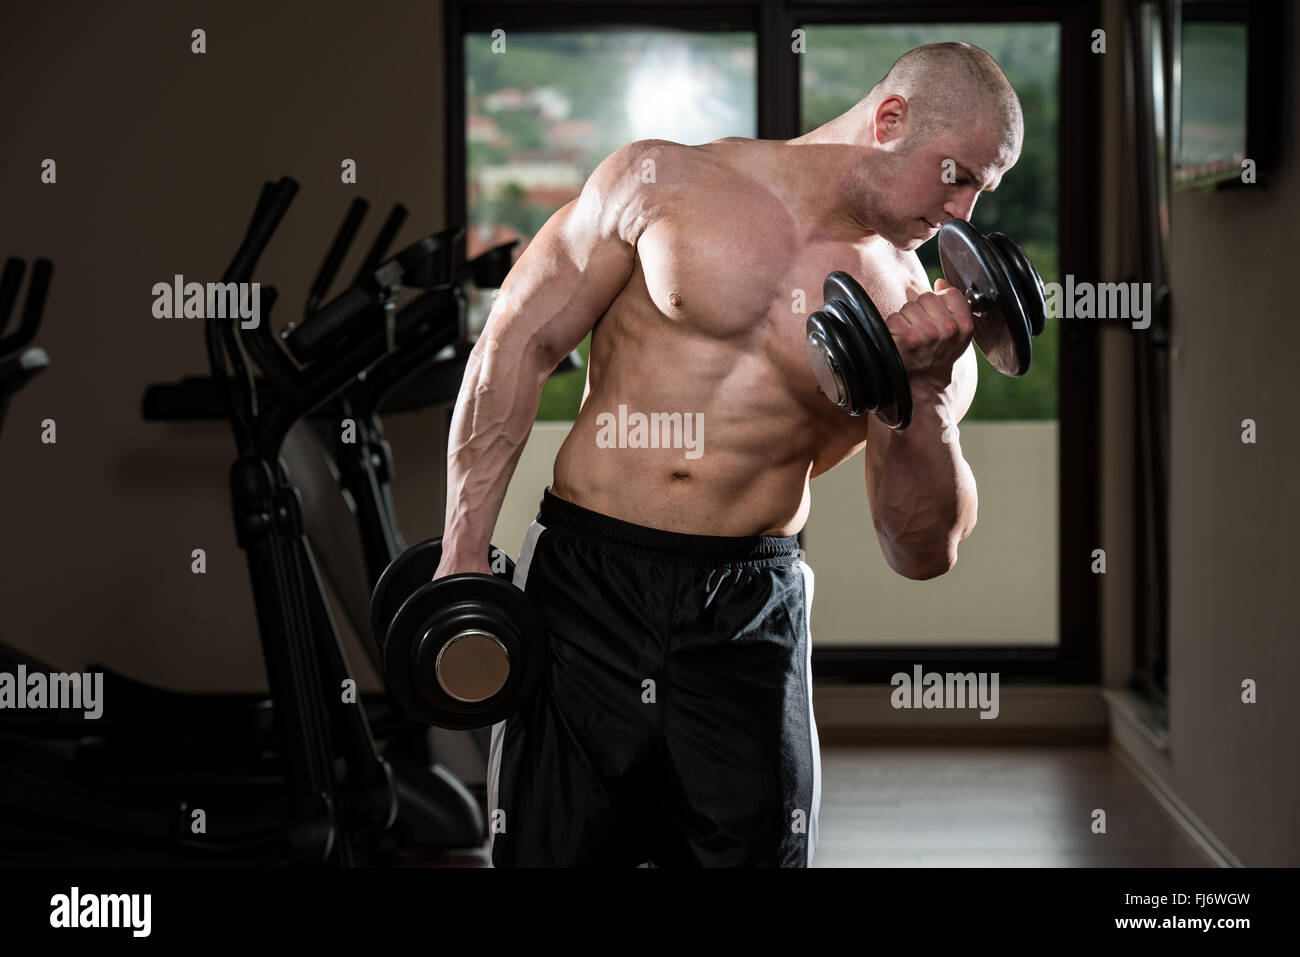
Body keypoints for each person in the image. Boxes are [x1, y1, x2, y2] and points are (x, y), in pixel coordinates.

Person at [437, 41, 1024, 867]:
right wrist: (463, 553)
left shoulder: (919, 318)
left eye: (981, 191)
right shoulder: (661, 182)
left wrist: (920, 396)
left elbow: (920, 548)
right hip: (586, 586)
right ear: (891, 119)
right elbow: (513, 345)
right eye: (956, 175)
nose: (960, 214)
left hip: (748, 608)